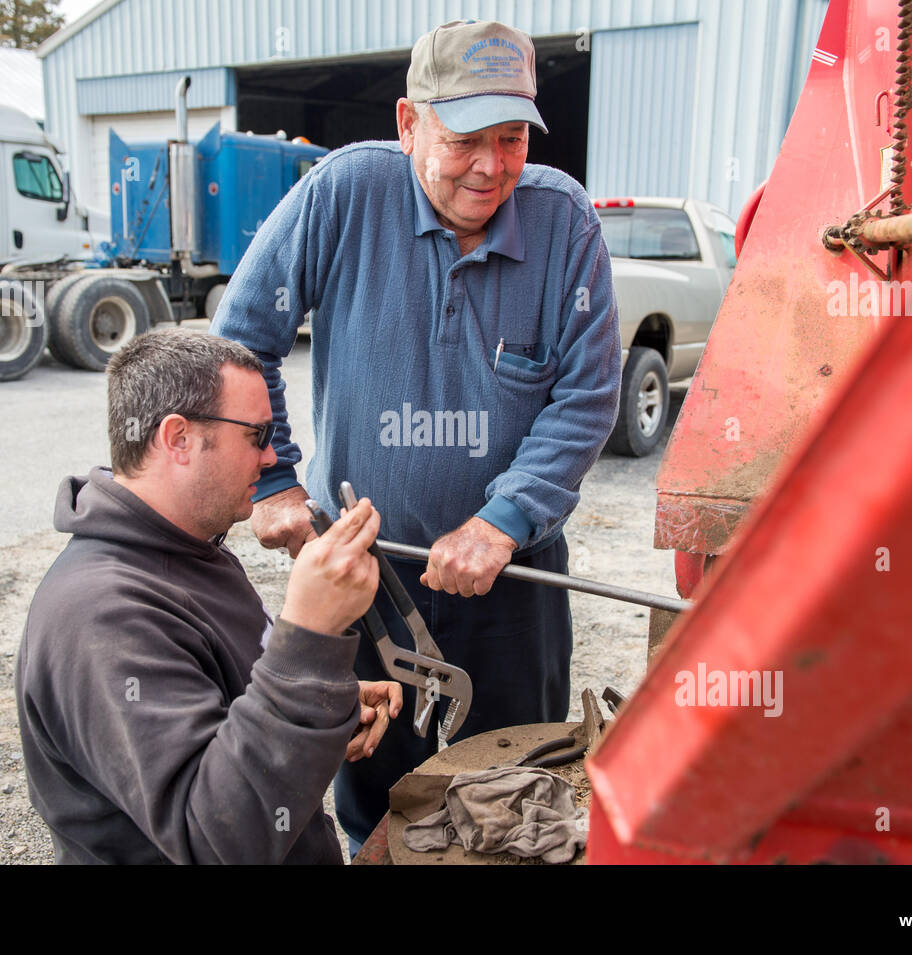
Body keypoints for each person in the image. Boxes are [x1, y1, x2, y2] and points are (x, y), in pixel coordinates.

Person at [215, 18, 621, 850]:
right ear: (408, 124)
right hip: (368, 573)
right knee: (376, 794)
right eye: (466, 138)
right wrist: (271, 475)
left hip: (515, 580)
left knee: (520, 795)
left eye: (511, 139)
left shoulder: (563, 221)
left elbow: (585, 397)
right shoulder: (344, 192)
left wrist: (502, 521)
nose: (491, 165)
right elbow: (239, 340)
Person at [15, 327, 401, 864]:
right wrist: (309, 637)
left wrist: (317, 702)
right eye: (257, 435)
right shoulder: (102, 617)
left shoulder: (192, 549)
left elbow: (225, 714)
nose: (271, 459)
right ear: (178, 439)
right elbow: (218, 841)